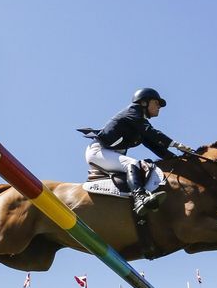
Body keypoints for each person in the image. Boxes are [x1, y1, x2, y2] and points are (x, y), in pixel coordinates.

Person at [81, 88, 193, 216]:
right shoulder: (133, 112)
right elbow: (151, 132)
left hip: (109, 154)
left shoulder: (138, 122)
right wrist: (175, 144)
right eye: (156, 103)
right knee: (132, 163)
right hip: (98, 151)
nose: (159, 107)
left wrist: (177, 160)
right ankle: (140, 198)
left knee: (140, 165)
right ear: (144, 102)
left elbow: (155, 145)